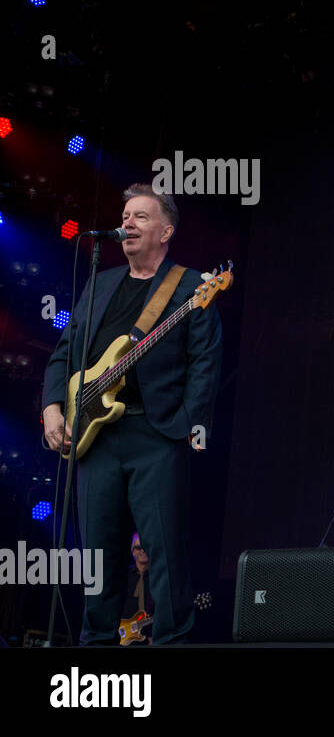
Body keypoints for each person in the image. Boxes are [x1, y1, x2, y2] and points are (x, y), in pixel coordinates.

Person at [42, 183, 221, 645]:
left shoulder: (190, 285)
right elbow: (65, 352)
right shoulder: (100, 283)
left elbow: (205, 363)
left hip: (154, 431)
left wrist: (184, 424)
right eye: (125, 215)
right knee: (98, 555)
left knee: (163, 553)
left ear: (166, 231)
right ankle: (94, 647)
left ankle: (170, 641)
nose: (128, 223)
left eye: (141, 216)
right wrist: (52, 408)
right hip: (97, 437)